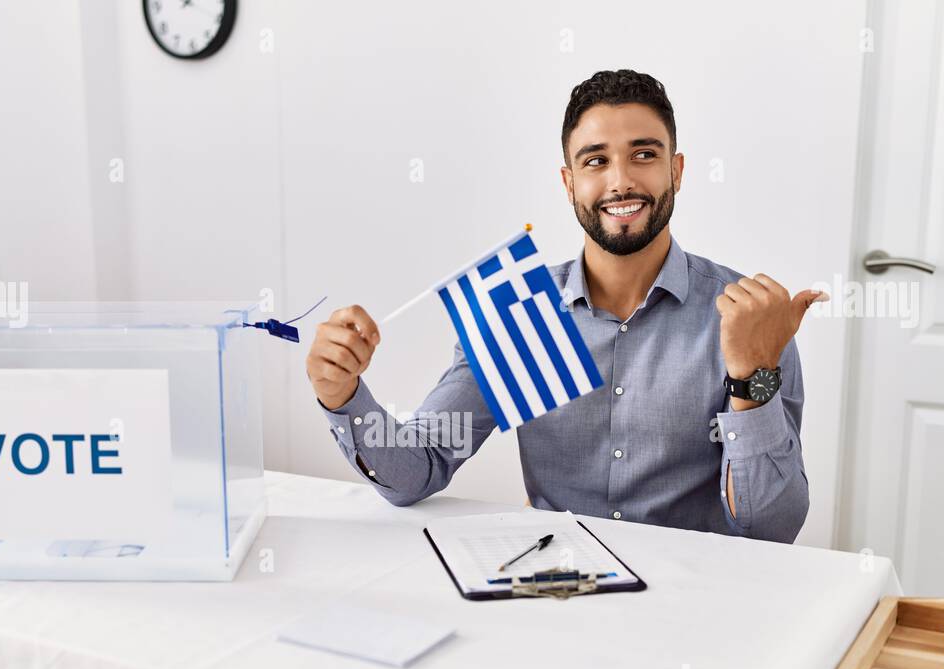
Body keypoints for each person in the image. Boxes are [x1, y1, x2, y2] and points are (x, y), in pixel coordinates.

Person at [305, 69, 826, 544]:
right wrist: (344, 396)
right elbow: (417, 470)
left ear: (677, 170)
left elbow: (770, 528)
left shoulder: (746, 320)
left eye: (644, 155)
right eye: (596, 161)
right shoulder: (521, 314)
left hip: (695, 600)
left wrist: (752, 378)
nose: (620, 180)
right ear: (569, 181)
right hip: (556, 589)